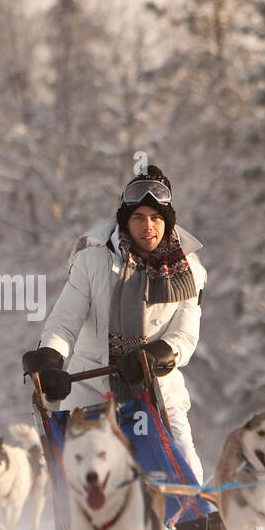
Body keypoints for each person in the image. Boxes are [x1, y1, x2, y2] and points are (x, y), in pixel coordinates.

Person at [22, 166, 208, 483]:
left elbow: (185, 335)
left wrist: (158, 355)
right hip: (92, 388)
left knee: (188, 476)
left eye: (156, 217)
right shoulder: (92, 261)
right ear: (125, 220)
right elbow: (64, 322)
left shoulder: (190, 270)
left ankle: (189, 528)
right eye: (138, 218)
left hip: (159, 390)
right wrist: (50, 358)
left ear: (167, 220)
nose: (147, 226)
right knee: (80, 479)